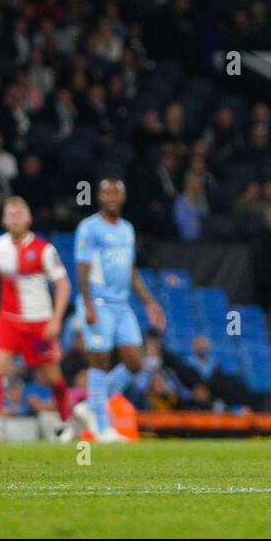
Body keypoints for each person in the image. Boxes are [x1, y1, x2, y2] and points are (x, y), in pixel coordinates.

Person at [0, 197, 72, 443]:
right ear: (4, 220)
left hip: (39, 324)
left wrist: (56, 320)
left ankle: (65, 422)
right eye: (10, 214)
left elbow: (63, 285)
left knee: (52, 376)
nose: (15, 218)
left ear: (29, 219)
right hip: (8, 321)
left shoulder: (44, 249)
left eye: (19, 214)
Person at [67, 179, 166, 442]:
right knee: (100, 361)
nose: (111, 197)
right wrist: (87, 303)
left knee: (135, 362)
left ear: (123, 197)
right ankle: (101, 428)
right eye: (106, 193)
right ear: (99, 197)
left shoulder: (127, 229)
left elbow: (130, 270)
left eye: (116, 193)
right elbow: (82, 268)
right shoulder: (89, 228)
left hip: (122, 306)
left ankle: (90, 406)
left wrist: (149, 302)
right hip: (98, 302)